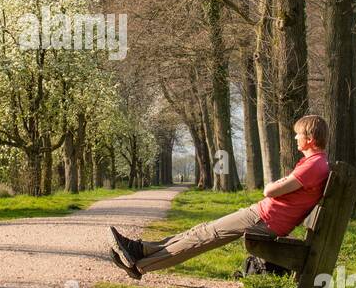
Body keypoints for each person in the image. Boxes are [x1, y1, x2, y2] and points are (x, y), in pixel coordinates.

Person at [108, 114, 331, 279]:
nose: (294, 137)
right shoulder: (315, 163)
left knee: (204, 236)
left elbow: (270, 191)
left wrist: (274, 184)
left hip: (266, 220)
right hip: (264, 215)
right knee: (200, 230)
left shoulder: (313, 165)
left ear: (310, 138)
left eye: (298, 134)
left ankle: (141, 265)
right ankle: (141, 250)